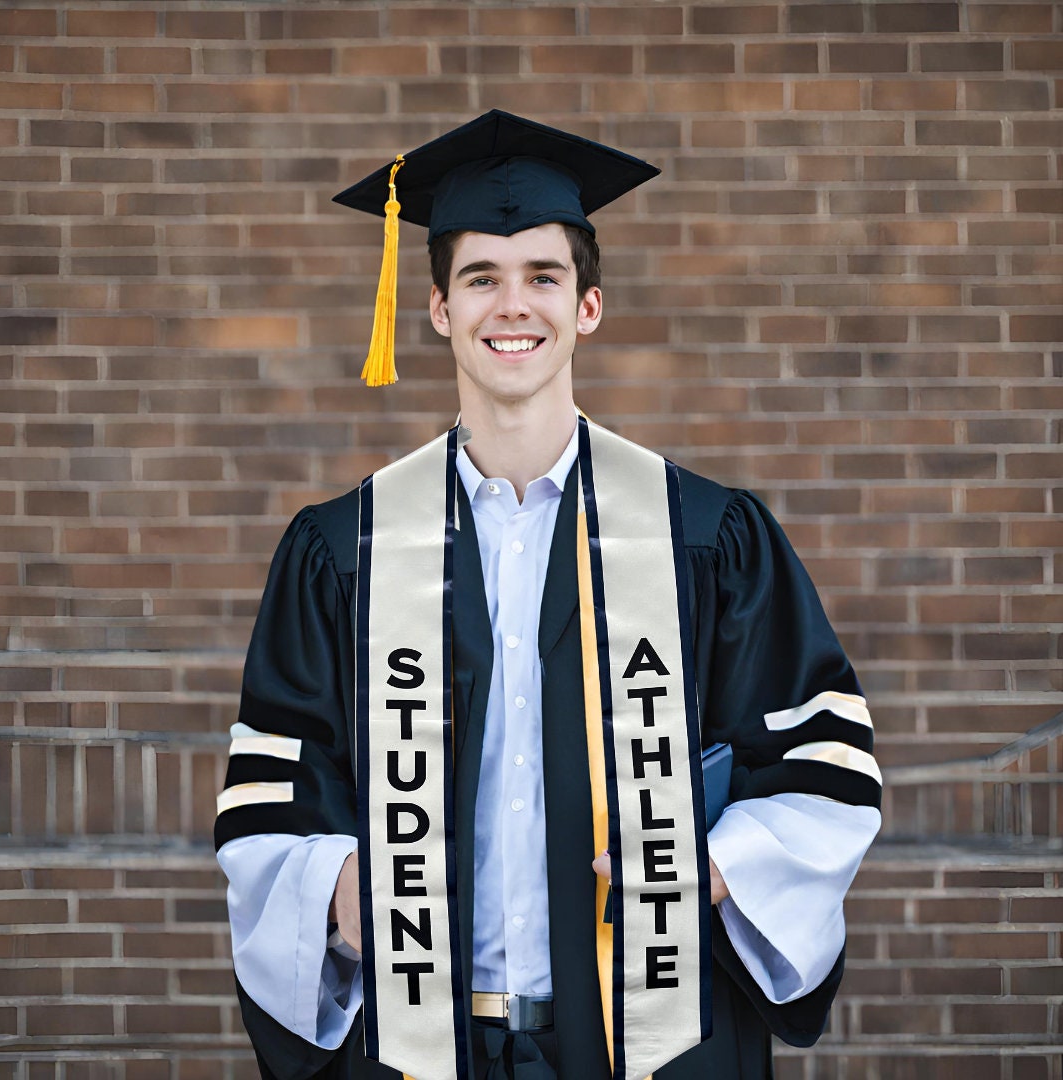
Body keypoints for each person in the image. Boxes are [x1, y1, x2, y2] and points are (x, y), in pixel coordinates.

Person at [215, 111, 882, 1080]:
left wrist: (724, 867)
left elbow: (823, 758)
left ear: (589, 307)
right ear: (439, 308)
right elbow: (274, 785)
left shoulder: (703, 536)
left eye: (544, 277)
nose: (512, 306)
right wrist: (332, 886)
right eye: (482, 277)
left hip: (651, 1039)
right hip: (420, 1047)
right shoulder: (346, 549)